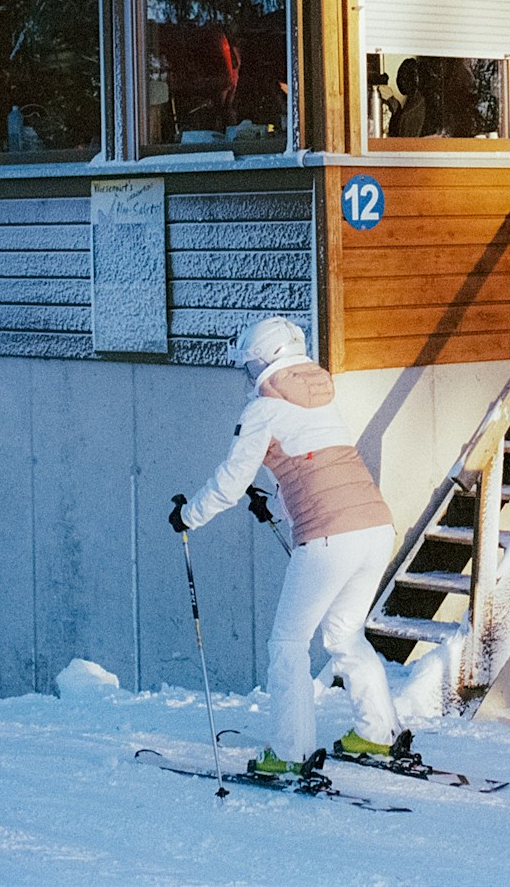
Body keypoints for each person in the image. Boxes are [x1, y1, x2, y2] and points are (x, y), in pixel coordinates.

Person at [172, 316, 405, 776]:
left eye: (251, 365)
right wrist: (276, 507)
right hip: (375, 527)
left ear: (265, 363)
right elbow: (316, 470)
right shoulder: (321, 403)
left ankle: (290, 752)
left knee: (287, 643)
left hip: (328, 536)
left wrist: (188, 515)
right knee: (344, 634)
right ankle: (379, 734)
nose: (249, 375)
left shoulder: (263, 411)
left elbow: (230, 482)